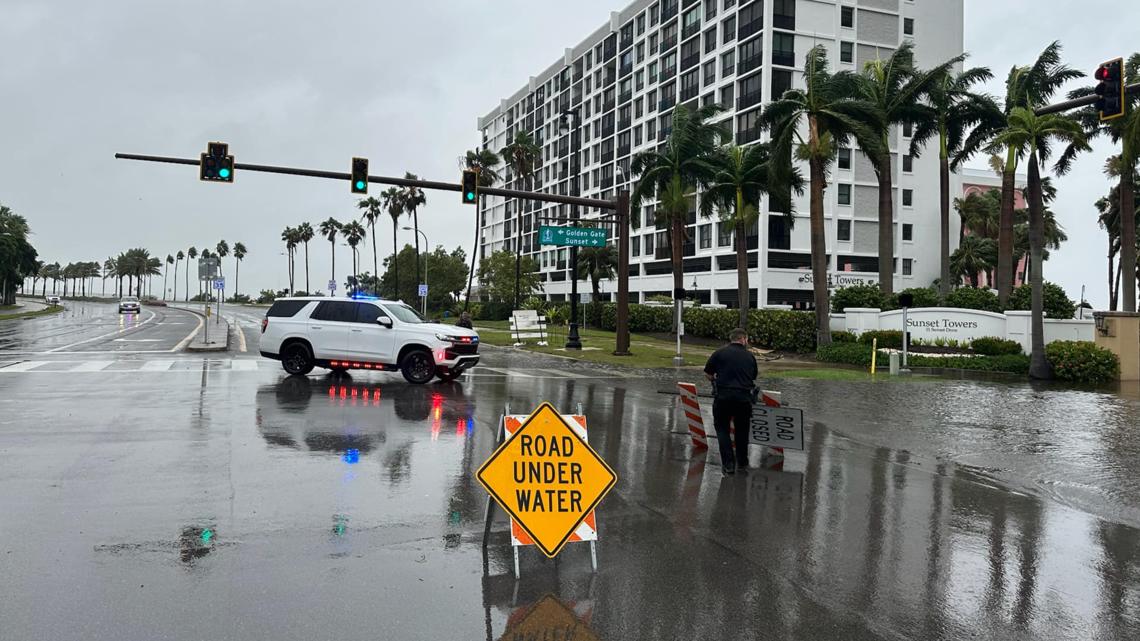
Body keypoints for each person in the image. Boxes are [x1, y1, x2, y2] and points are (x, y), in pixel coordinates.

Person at [703, 327, 758, 475]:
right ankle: (742, 462)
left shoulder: (719, 353)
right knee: (742, 431)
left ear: (731, 339)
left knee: (722, 430)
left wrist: (715, 379)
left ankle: (728, 465)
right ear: (743, 339)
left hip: (723, 397)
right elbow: (753, 376)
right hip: (743, 398)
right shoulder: (749, 356)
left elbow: (708, 373)